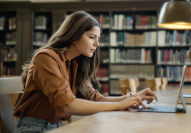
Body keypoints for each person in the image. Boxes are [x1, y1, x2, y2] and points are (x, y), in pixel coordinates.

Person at [13, 11, 158, 133]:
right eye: (92, 37)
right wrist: (120, 105)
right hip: (32, 128)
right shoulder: (46, 57)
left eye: (98, 39)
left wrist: (130, 97)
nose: (97, 44)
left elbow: (96, 99)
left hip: (56, 127)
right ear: (74, 36)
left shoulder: (75, 62)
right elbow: (67, 105)